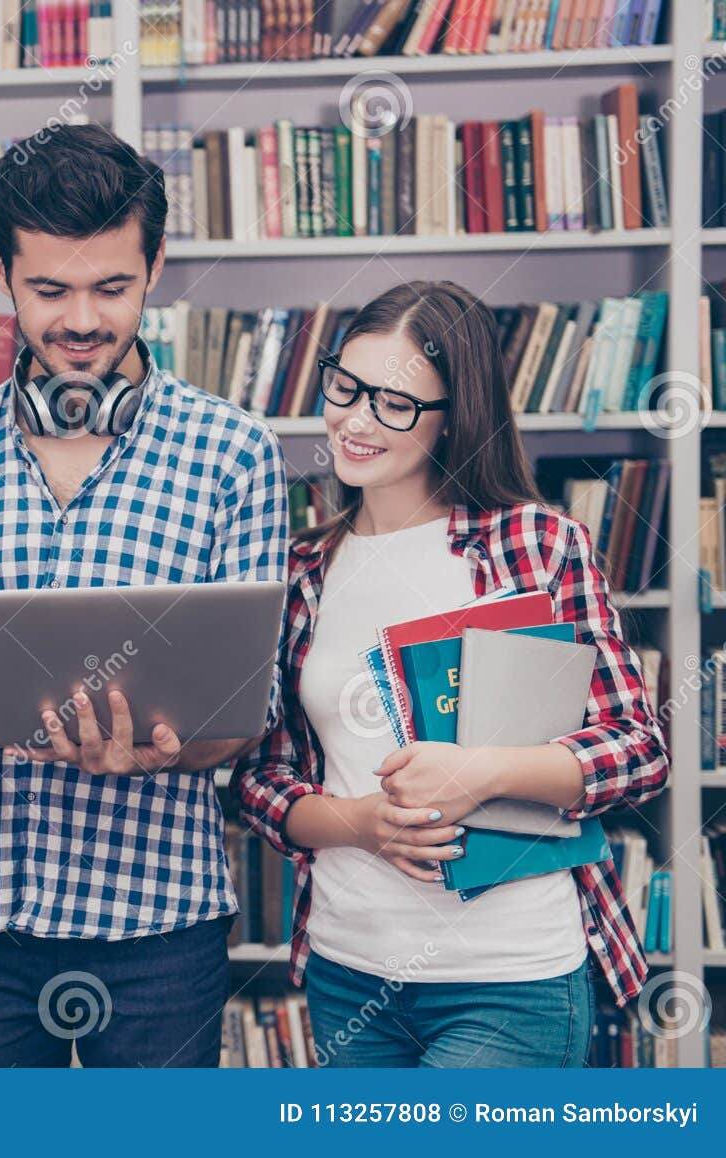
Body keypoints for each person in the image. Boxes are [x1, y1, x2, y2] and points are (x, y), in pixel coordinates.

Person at [0, 122, 289, 1068]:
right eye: (50, 290)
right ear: (1, 273)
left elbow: (249, 712)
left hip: (159, 925)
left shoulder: (235, 453)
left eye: (112, 288)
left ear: (156, 267)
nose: (82, 320)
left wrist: (157, 754)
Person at [235, 279, 669, 1067]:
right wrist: (363, 824)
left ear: (455, 417)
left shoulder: (535, 544)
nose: (356, 420)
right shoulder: (303, 569)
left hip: (510, 979)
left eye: (395, 404)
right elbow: (263, 780)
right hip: (347, 972)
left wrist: (481, 776)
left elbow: (637, 749)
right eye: (345, 387)